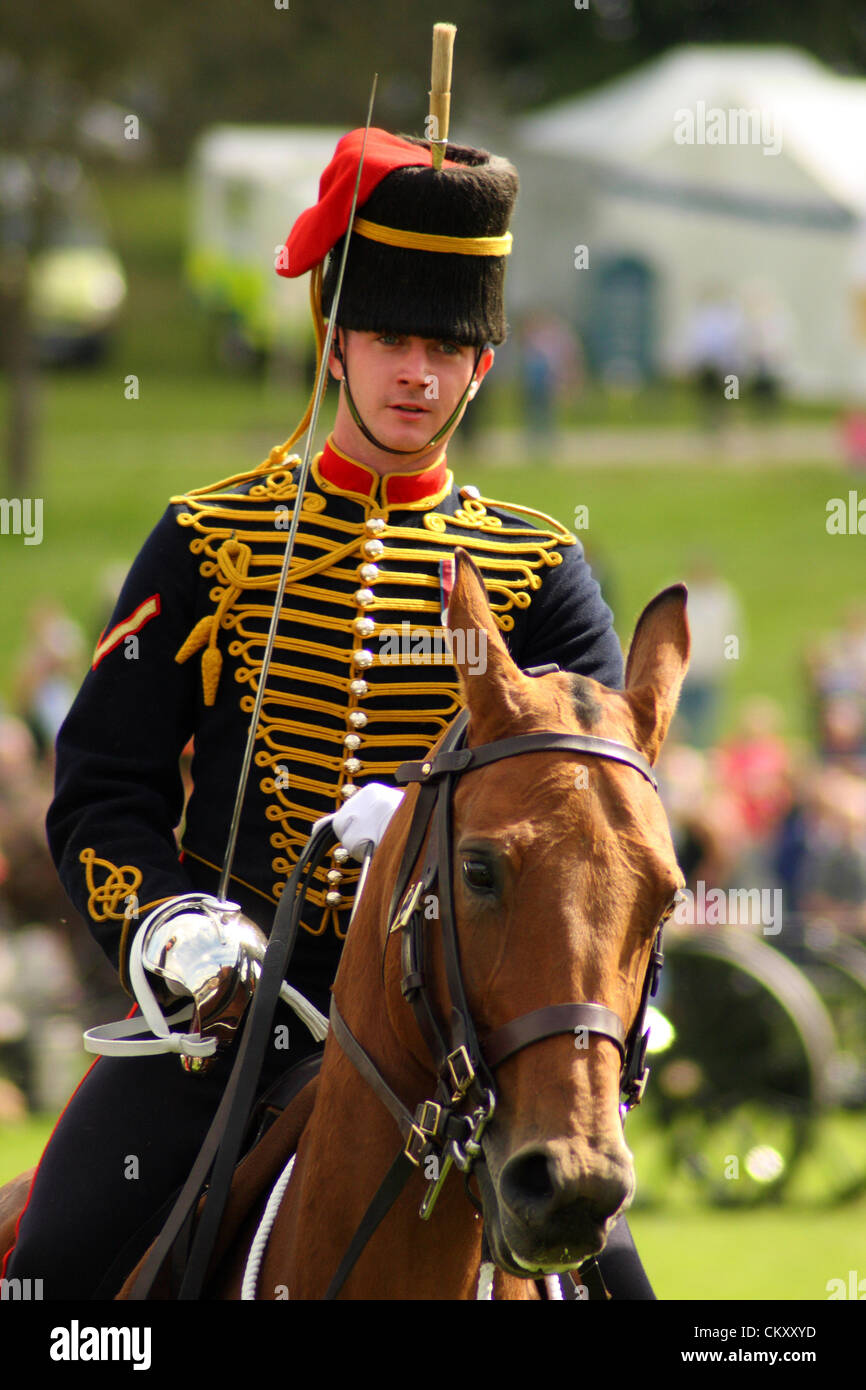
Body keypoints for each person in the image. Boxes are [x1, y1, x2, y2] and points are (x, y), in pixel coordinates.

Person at [2, 126, 653, 1299]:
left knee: (624, 1293)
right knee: (52, 1270)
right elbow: (104, 787)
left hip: (459, 1026)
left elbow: (601, 814)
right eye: (392, 341)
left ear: (482, 369)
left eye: (447, 349)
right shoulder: (211, 537)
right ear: (334, 341)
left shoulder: (538, 570)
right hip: (231, 1014)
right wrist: (171, 932)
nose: (417, 374)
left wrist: (415, 815)